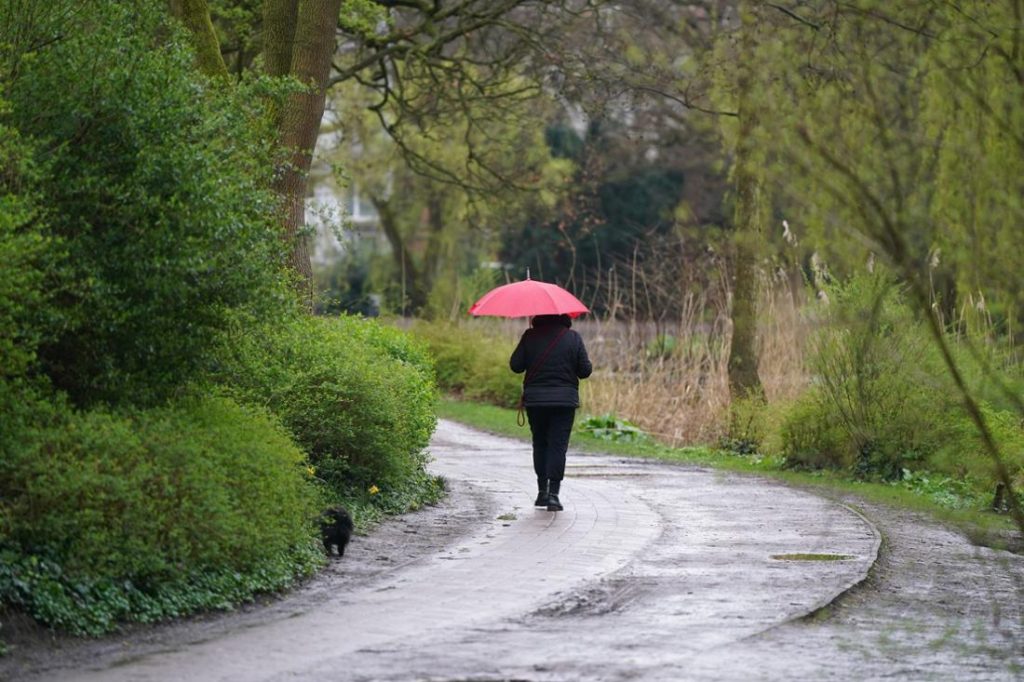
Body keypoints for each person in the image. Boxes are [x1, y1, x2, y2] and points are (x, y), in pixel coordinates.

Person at [509, 313, 592, 512]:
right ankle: (554, 495)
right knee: (558, 446)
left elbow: (515, 366)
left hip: (536, 401)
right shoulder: (573, 338)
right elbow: (585, 371)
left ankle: (541, 493)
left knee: (540, 443)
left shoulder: (530, 336)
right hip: (564, 402)